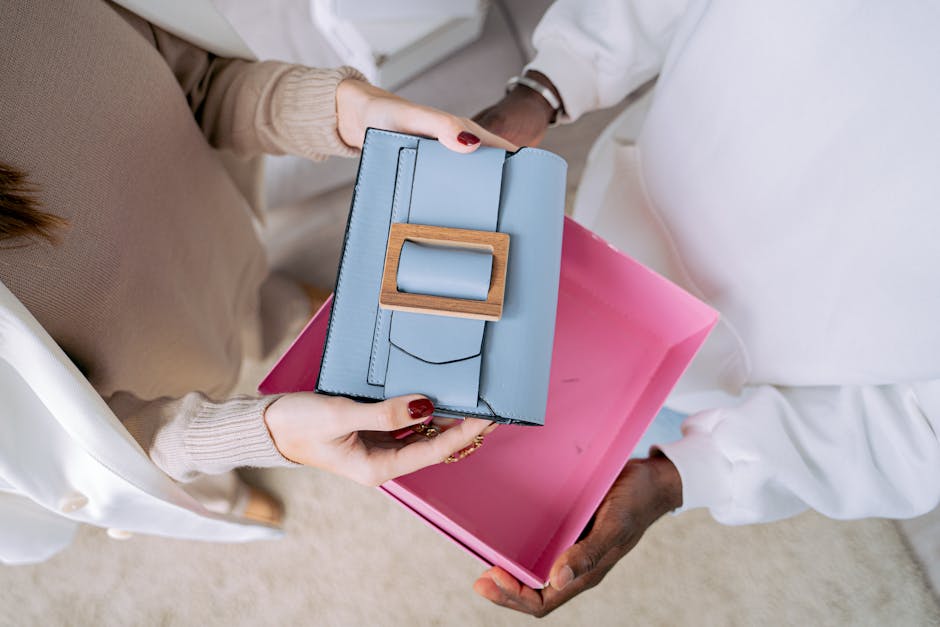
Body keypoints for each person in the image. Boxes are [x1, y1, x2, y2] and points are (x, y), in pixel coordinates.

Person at [472, 0, 940, 616]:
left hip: (759, 386)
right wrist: (550, 82)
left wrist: (689, 474)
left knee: (590, 445)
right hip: (630, 209)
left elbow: (920, 430)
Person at [0, 0, 514, 523]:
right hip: (136, 395)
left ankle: (281, 308)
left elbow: (199, 82)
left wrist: (346, 109)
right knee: (178, 478)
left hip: (211, 233)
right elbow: (76, 447)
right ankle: (225, 498)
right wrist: (260, 435)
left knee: (252, 293)